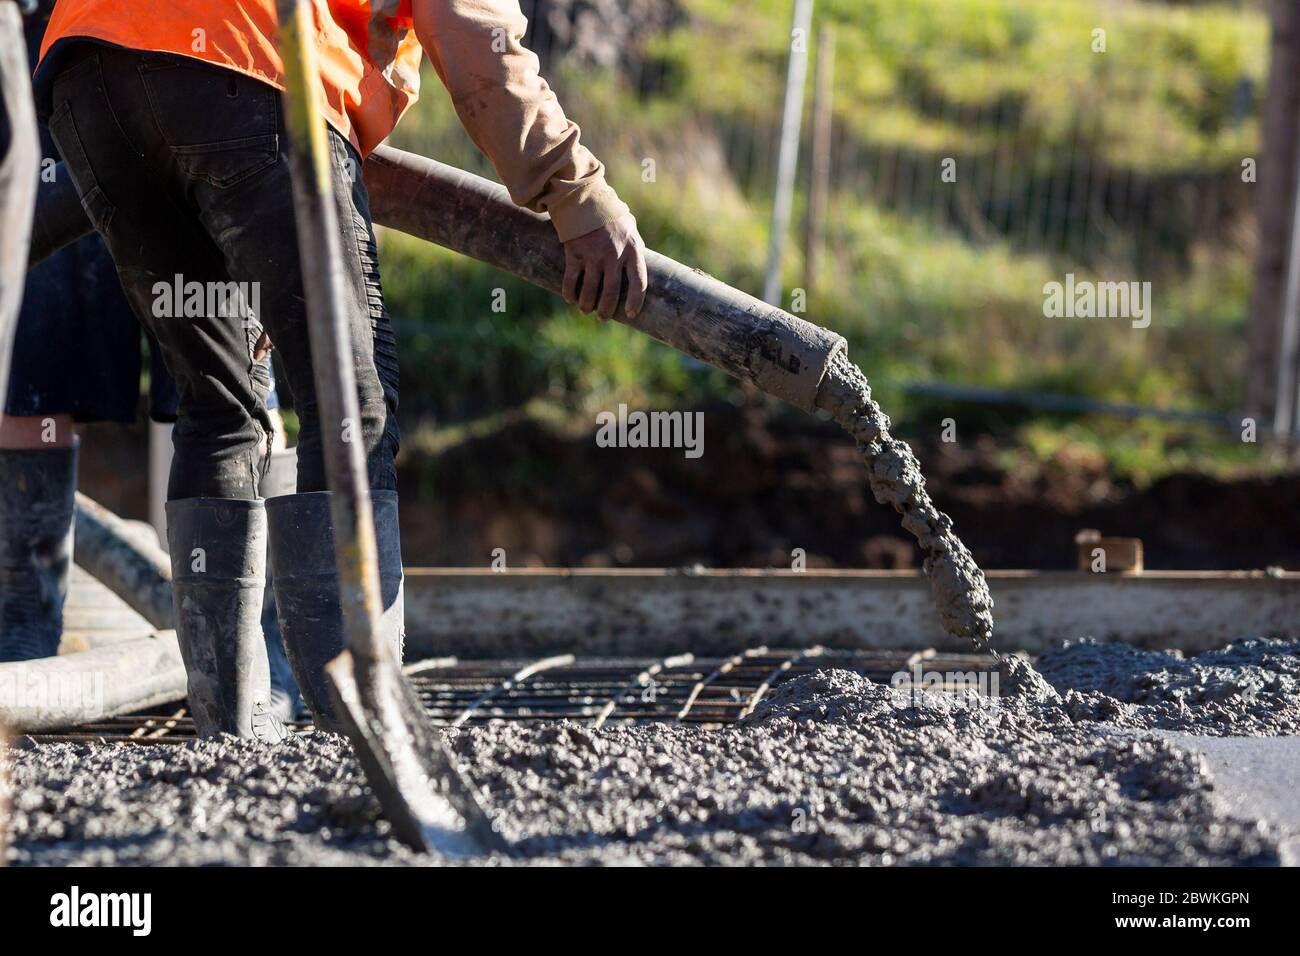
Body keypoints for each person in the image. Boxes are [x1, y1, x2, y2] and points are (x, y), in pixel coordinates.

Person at [30, 0, 648, 739]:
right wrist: (576, 190)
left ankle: (226, 729)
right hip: (254, 70)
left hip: (89, 77)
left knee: (220, 408)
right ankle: (359, 728)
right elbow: (474, 33)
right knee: (350, 405)